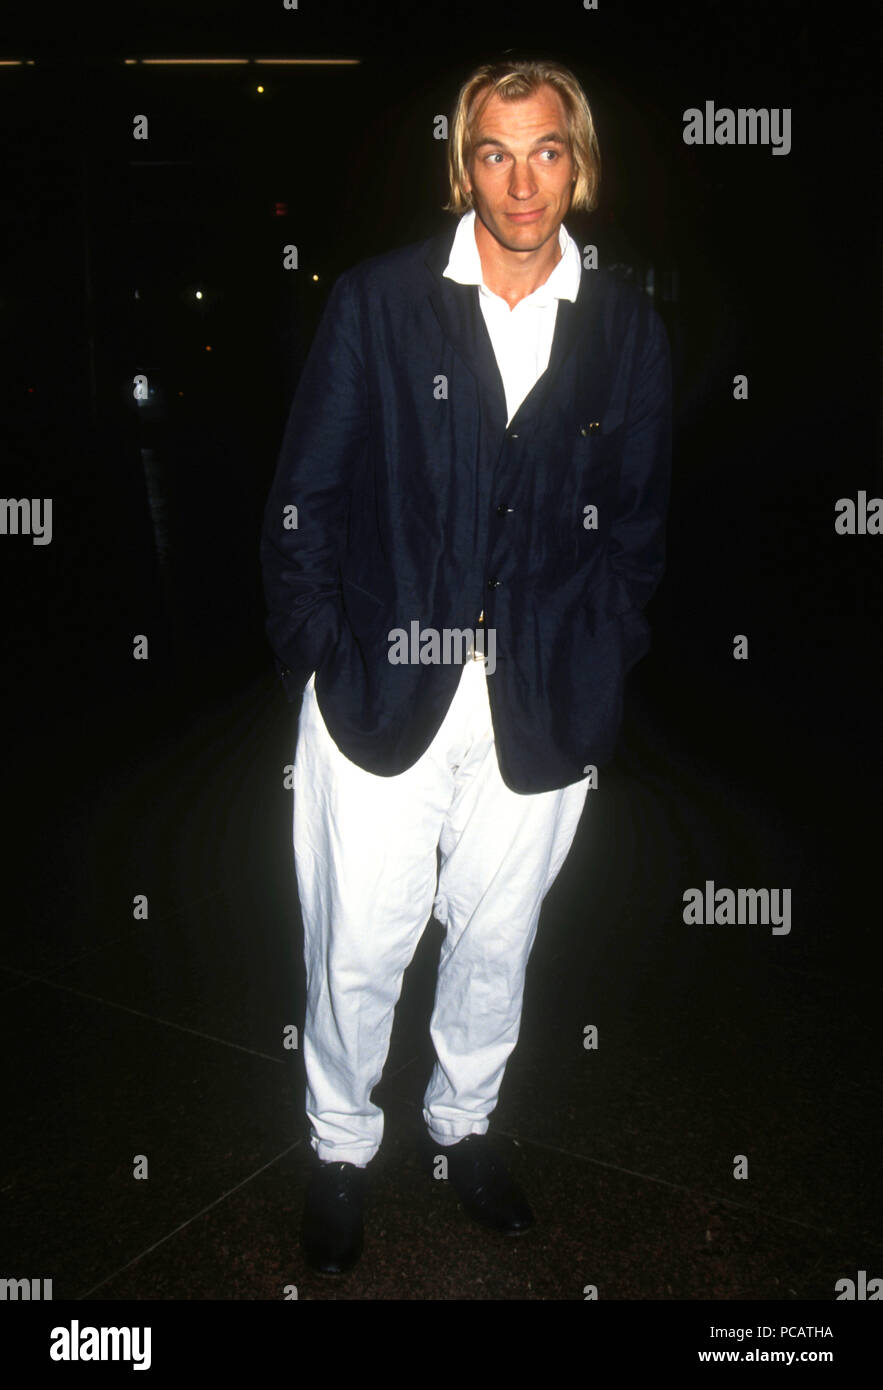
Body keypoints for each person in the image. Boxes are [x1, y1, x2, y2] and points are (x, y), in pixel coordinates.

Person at [260, 55, 672, 1275]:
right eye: (493, 151)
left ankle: (465, 1126)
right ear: (463, 164)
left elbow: (637, 527)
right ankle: (341, 1146)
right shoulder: (381, 302)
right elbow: (304, 502)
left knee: (498, 942)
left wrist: (602, 659)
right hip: (381, 689)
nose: (520, 177)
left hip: (542, 702)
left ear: (576, 161)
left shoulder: (624, 323)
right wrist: (319, 658)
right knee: (357, 944)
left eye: (544, 148)